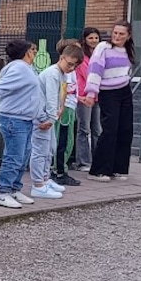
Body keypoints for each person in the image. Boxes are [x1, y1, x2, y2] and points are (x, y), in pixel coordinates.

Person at [0, 39, 42, 209]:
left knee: (22, 157)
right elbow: (3, 85)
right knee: (14, 157)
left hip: (25, 119)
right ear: (27, 52)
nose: (35, 52)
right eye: (33, 49)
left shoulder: (26, 68)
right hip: (14, 119)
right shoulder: (19, 67)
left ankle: (14, 189)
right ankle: (2, 192)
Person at [30, 43, 84, 199]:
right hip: (42, 117)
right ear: (62, 57)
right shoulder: (53, 73)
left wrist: (60, 109)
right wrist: (52, 117)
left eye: (75, 66)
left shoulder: (61, 73)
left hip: (49, 116)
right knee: (40, 151)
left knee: (49, 149)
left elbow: (61, 94)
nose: (71, 68)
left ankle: (45, 180)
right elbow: (51, 97)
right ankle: (38, 184)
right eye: (69, 64)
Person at [84, 22, 135, 182]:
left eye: (121, 34)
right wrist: (91, 93)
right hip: (108, 92)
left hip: (124, 91)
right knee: (110, 130)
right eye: (115, 33)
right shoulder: (103, 47)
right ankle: (98, 170)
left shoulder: (127, 50)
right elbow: (95, 69)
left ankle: (117, 168)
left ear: (128, 36)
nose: (117, 37)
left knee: (125, 129)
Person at [52, 38, 83, 187]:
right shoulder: (65, 70)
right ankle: (59, 171)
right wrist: (62, 106)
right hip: (66, 108)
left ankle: (59, 169)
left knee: (67, 140)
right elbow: (64, 89)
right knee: (63, 140)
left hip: (71, 105)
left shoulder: (71, 69)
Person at [73, 27, 103, 171]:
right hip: (84, 96)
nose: (94, 41)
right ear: (85, 39)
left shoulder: (100, 55)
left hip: (97, 96)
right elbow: (88, 74)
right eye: (90, 38)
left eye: (96, 38)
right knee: (84, 129)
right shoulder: (81, 56)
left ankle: (98, 160)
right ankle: (83, 162)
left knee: (97, 129)